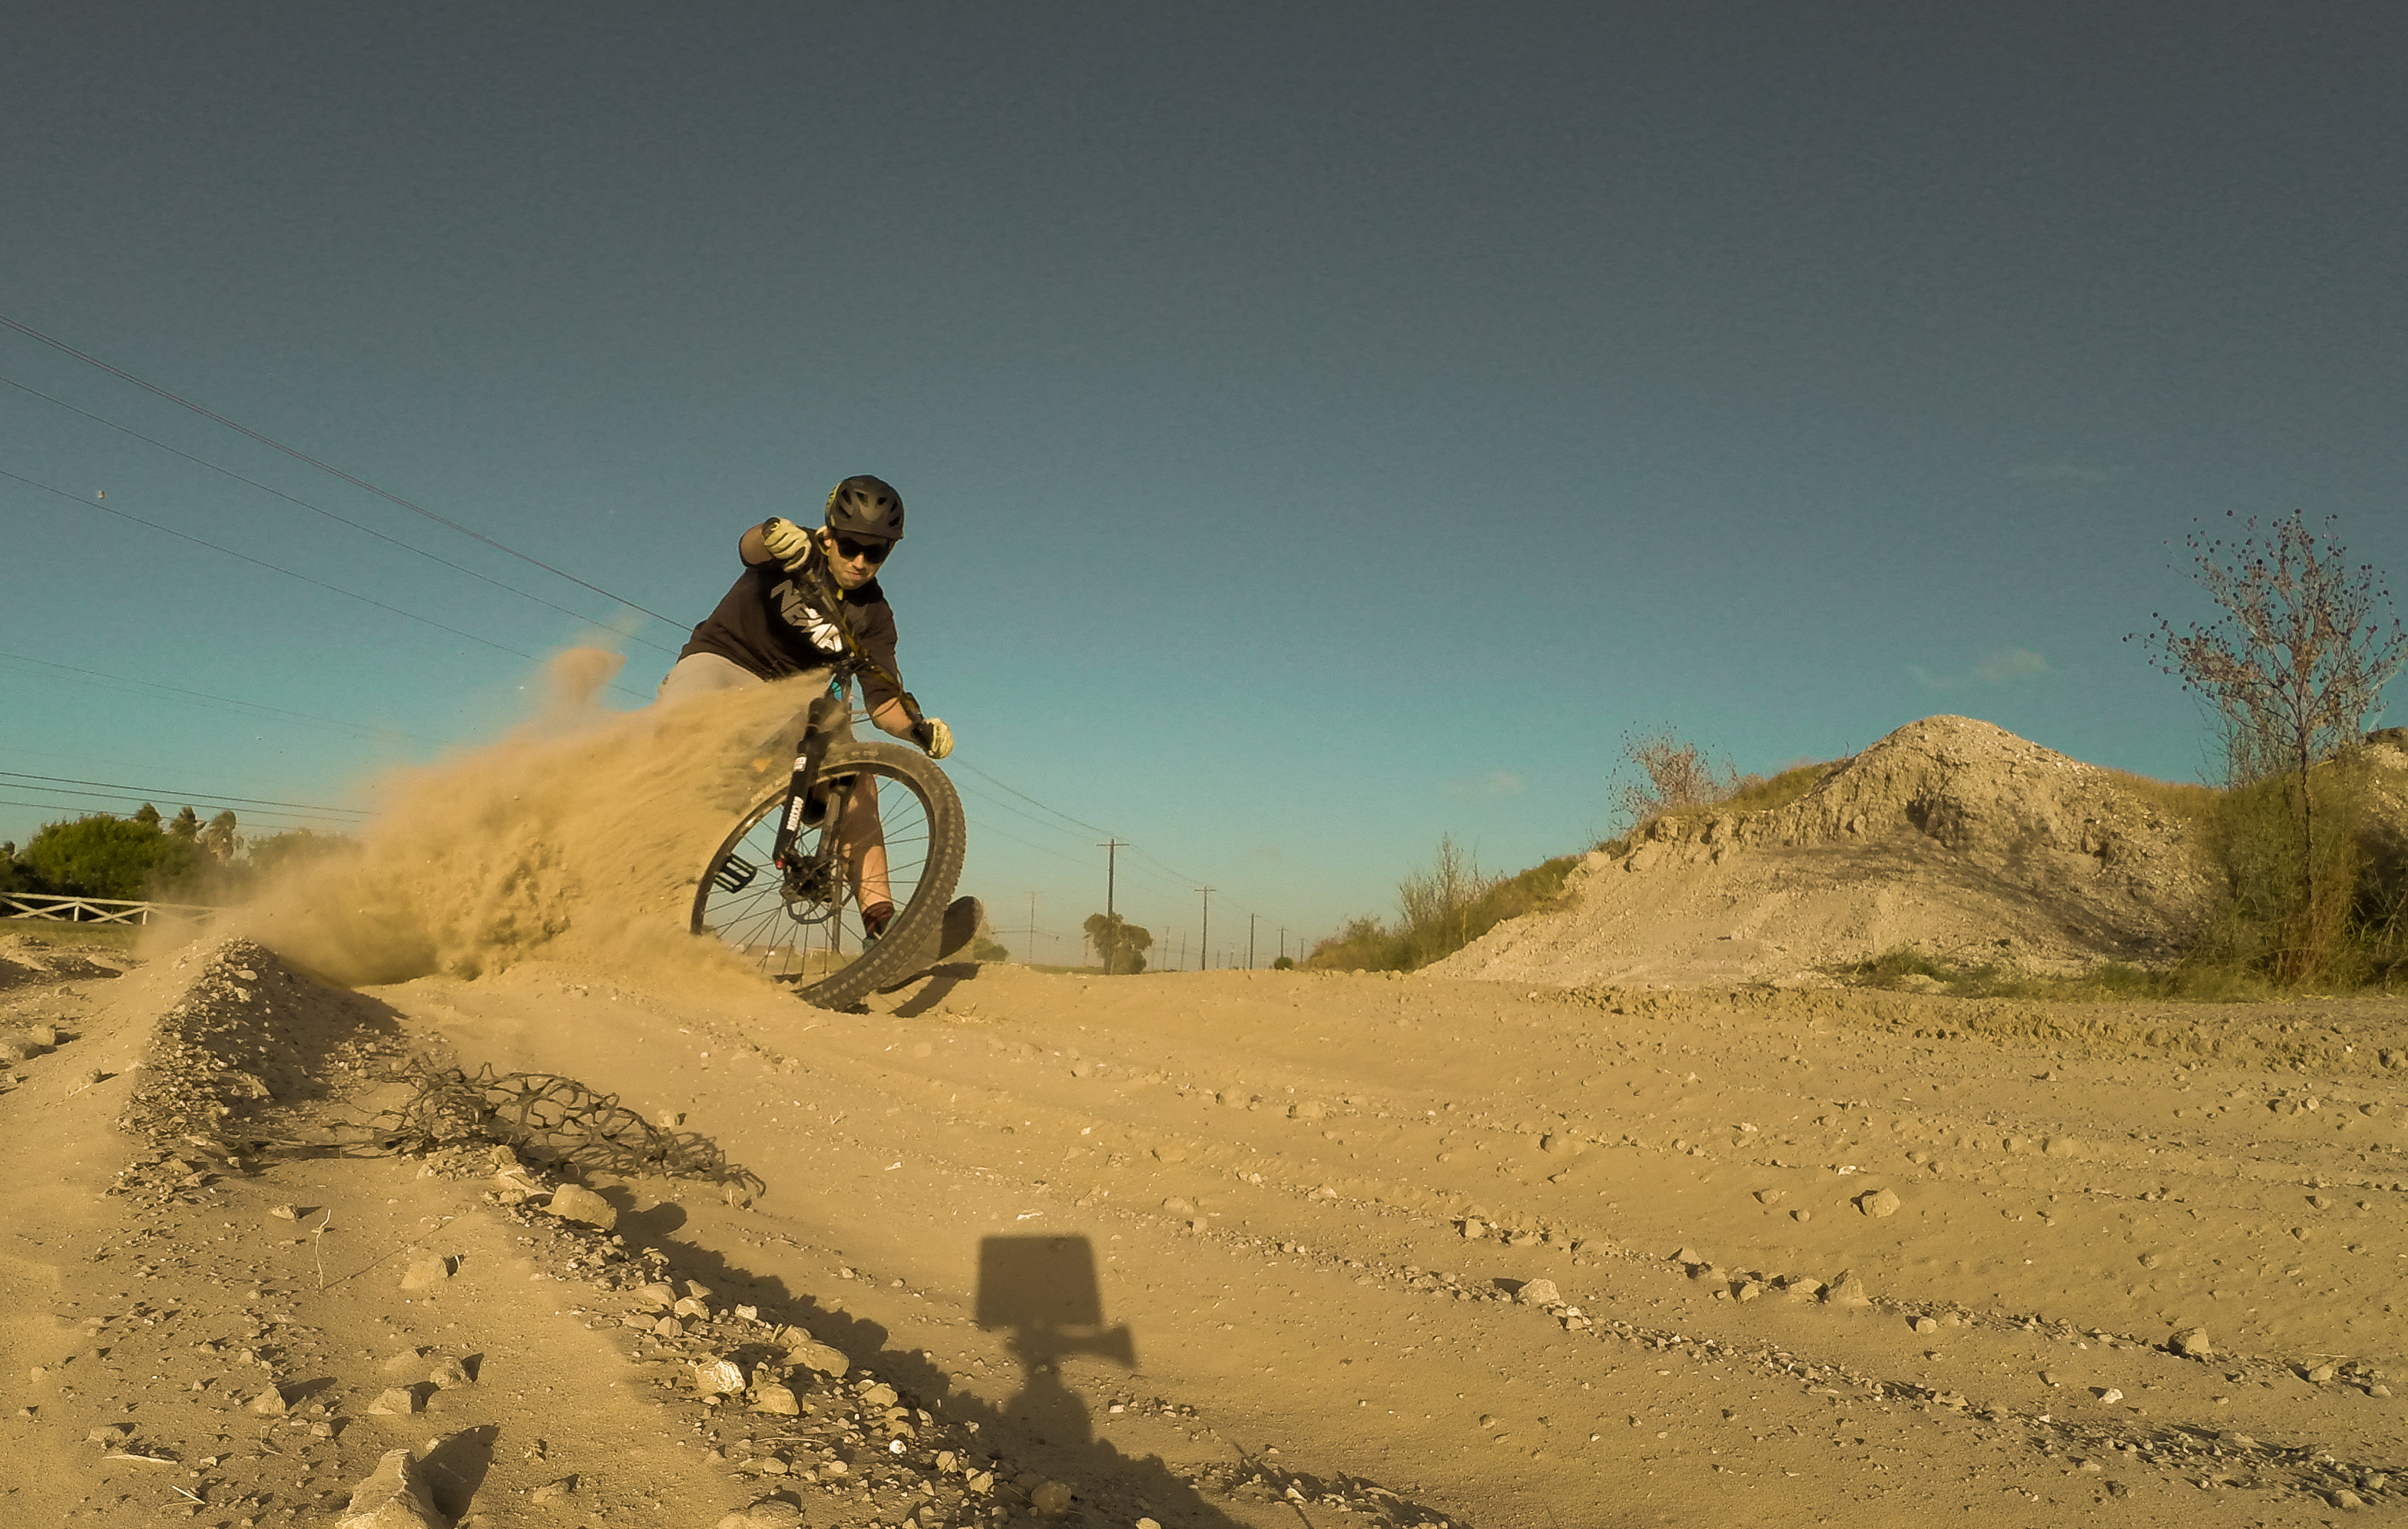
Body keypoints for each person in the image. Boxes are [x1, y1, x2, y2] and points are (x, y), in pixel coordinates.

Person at [658, 473, 952, 941]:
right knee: (684, 723)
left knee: (861, 776)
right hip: (724, 663)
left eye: (875, 552)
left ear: (890, 551)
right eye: (851, 545)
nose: (860, 561)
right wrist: (775, 531)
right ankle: (661, 842)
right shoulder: (795, 549)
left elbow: (883, 702)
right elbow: (751, 546)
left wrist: (918, 729)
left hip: (796, 703)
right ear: (829, 535)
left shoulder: (876, 616)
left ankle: (886, 930)